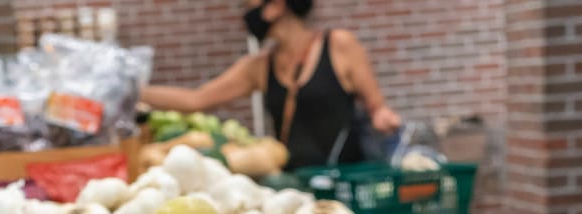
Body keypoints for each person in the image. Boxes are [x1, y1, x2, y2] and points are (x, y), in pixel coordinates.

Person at [141, 0, 401, 170]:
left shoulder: (339, 45)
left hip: (347, 180)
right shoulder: (259, 66)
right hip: (295, 187)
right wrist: (134, 91)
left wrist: (383, 117)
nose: (246, 11)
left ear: (275, 6)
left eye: (249, 3)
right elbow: (195, 100)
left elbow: (376, 107)